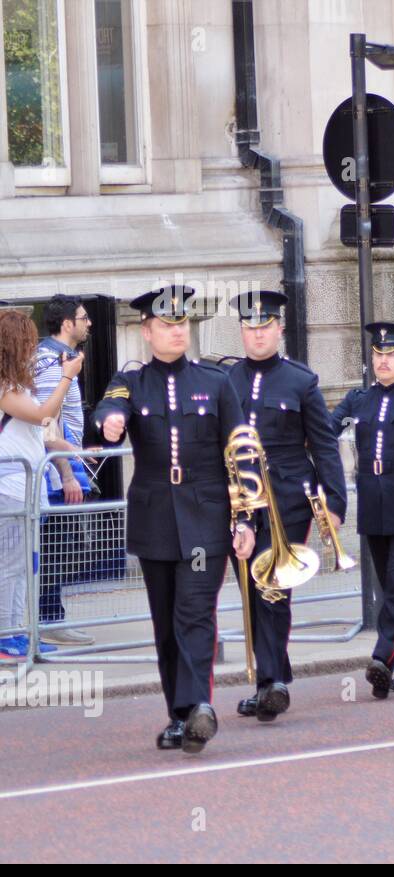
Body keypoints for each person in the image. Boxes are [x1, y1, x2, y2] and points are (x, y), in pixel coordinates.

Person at [93, 286, 253, 752]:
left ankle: (200, 705)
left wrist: (249, 521)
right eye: (166, 324)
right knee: (165, 622)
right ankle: (179, 715)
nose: (177, 331)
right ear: (147, 331)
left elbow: (241, 453)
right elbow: (109, 407)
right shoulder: (132, 381)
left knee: (194, 611)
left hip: (205, 518)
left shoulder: (216, 382)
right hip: (155, 519)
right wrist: (110, 422)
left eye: (182, 323)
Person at [225, 290, 347, 721]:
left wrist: (334, 499)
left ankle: (270, 682)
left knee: (272, 586)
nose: (257, 335)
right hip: (240, 499)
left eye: (265, 327)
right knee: (249, 589)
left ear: (278, 329)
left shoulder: (300, 380)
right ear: (242, 331)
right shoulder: (228, 380)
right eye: (250, 328)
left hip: (288, 499)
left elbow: (325, 444)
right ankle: (271, 673)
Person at [329, 323, 394, 701]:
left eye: (391, 355)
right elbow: (326, 429)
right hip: (375, 507)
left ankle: (383, 659)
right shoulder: (358, 400)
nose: (383, 361)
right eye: (378, 354)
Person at [1, 309, 84, 660]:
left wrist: (69, 448)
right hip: (10, 489)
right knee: (11, 565)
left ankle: (19, 632)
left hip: (27, 488)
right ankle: (7, 636)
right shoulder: (4, 386)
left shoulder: (17, 385)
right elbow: (42, 415)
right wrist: (66, 378)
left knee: (23, 566)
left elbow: (39, 430)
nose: (33, 349)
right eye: (28, 342)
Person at [33, 294, 95, 646]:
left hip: (63, 468)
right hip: (54, 475)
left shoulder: (62, 358)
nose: (88, 323)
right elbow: (46, 420)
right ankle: (48, 618)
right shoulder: (49, 361)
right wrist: (67, 473)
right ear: (67, 323)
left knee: (64, 546)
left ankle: (50, 616)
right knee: (60, 547)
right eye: (83, 318)